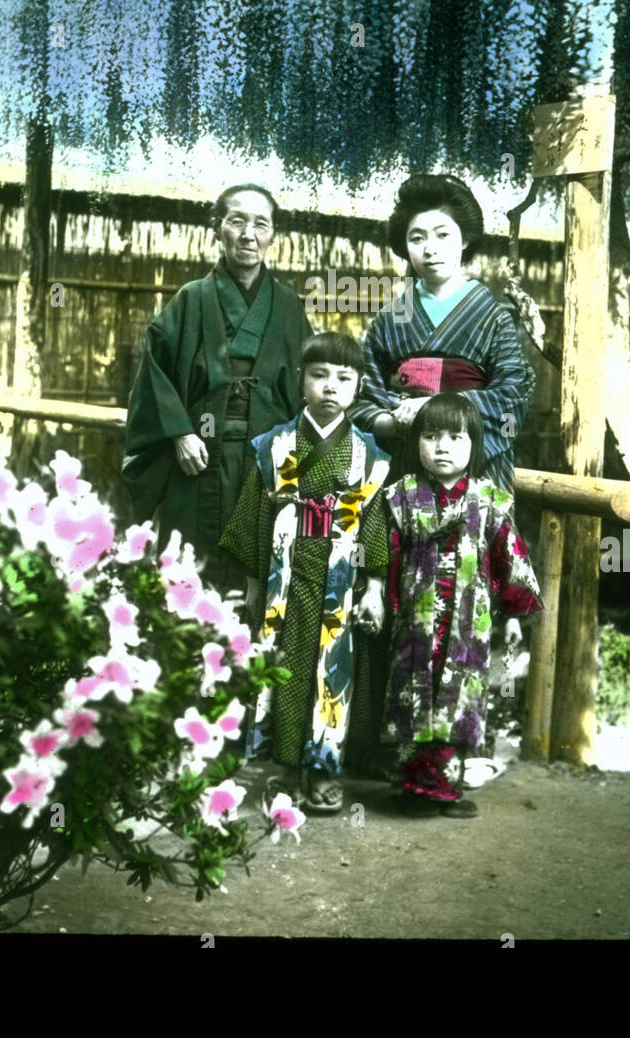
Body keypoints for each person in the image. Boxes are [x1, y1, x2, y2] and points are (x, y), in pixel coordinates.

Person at [347, 173, 536, 774]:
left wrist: (434, 411)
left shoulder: (492, 311)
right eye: (417, 237)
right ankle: (393, 749)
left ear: (465, 240)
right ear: (404, 247)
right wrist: (388, 420)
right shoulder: (391, 318)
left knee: (469, 603)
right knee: (404, 602)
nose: (430, 247)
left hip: (474, 467)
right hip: (408, 467)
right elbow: (363, 395)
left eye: (443, 234)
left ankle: (466, 751)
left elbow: (515, 391)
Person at [218, 332, 390, 813]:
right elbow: (255, 515)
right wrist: (254, 584)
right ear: (300, 382)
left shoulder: (367, 456)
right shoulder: (275, 446)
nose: (330, 387)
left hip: (338, 580)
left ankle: (322, 772)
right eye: (319, 375)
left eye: (343, 378)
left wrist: (374, 585)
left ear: (357, 387)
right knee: (285, 672)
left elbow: (373, 522)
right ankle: (284, 770)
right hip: (284, 576)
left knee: (331, 677)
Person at [123, 185, 312, 612]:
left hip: (265, 461)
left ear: (272, 235)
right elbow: (154, 373)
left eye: (260, 224)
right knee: (188, 577)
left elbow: (310, 381)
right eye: (237, 221)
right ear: (218, 230)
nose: (249, 234)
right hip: (198, 457)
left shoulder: (286, 305)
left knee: (259, 580)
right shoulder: (192, 298)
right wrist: (178, 433)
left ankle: (249, 671)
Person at [383, 392, 542, 818]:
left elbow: (511, 556)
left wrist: (512, 617)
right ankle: (412, 786)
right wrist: (382, 601)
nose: (443, 446)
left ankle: (446, 785)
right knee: (415, 693)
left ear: (475, 444)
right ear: (416, 442)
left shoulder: (489, 500)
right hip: (414, 619)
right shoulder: (401, 497)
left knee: (459, 697)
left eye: (456, 436)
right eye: (431, 436)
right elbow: (390, 557)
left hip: (468, 621)